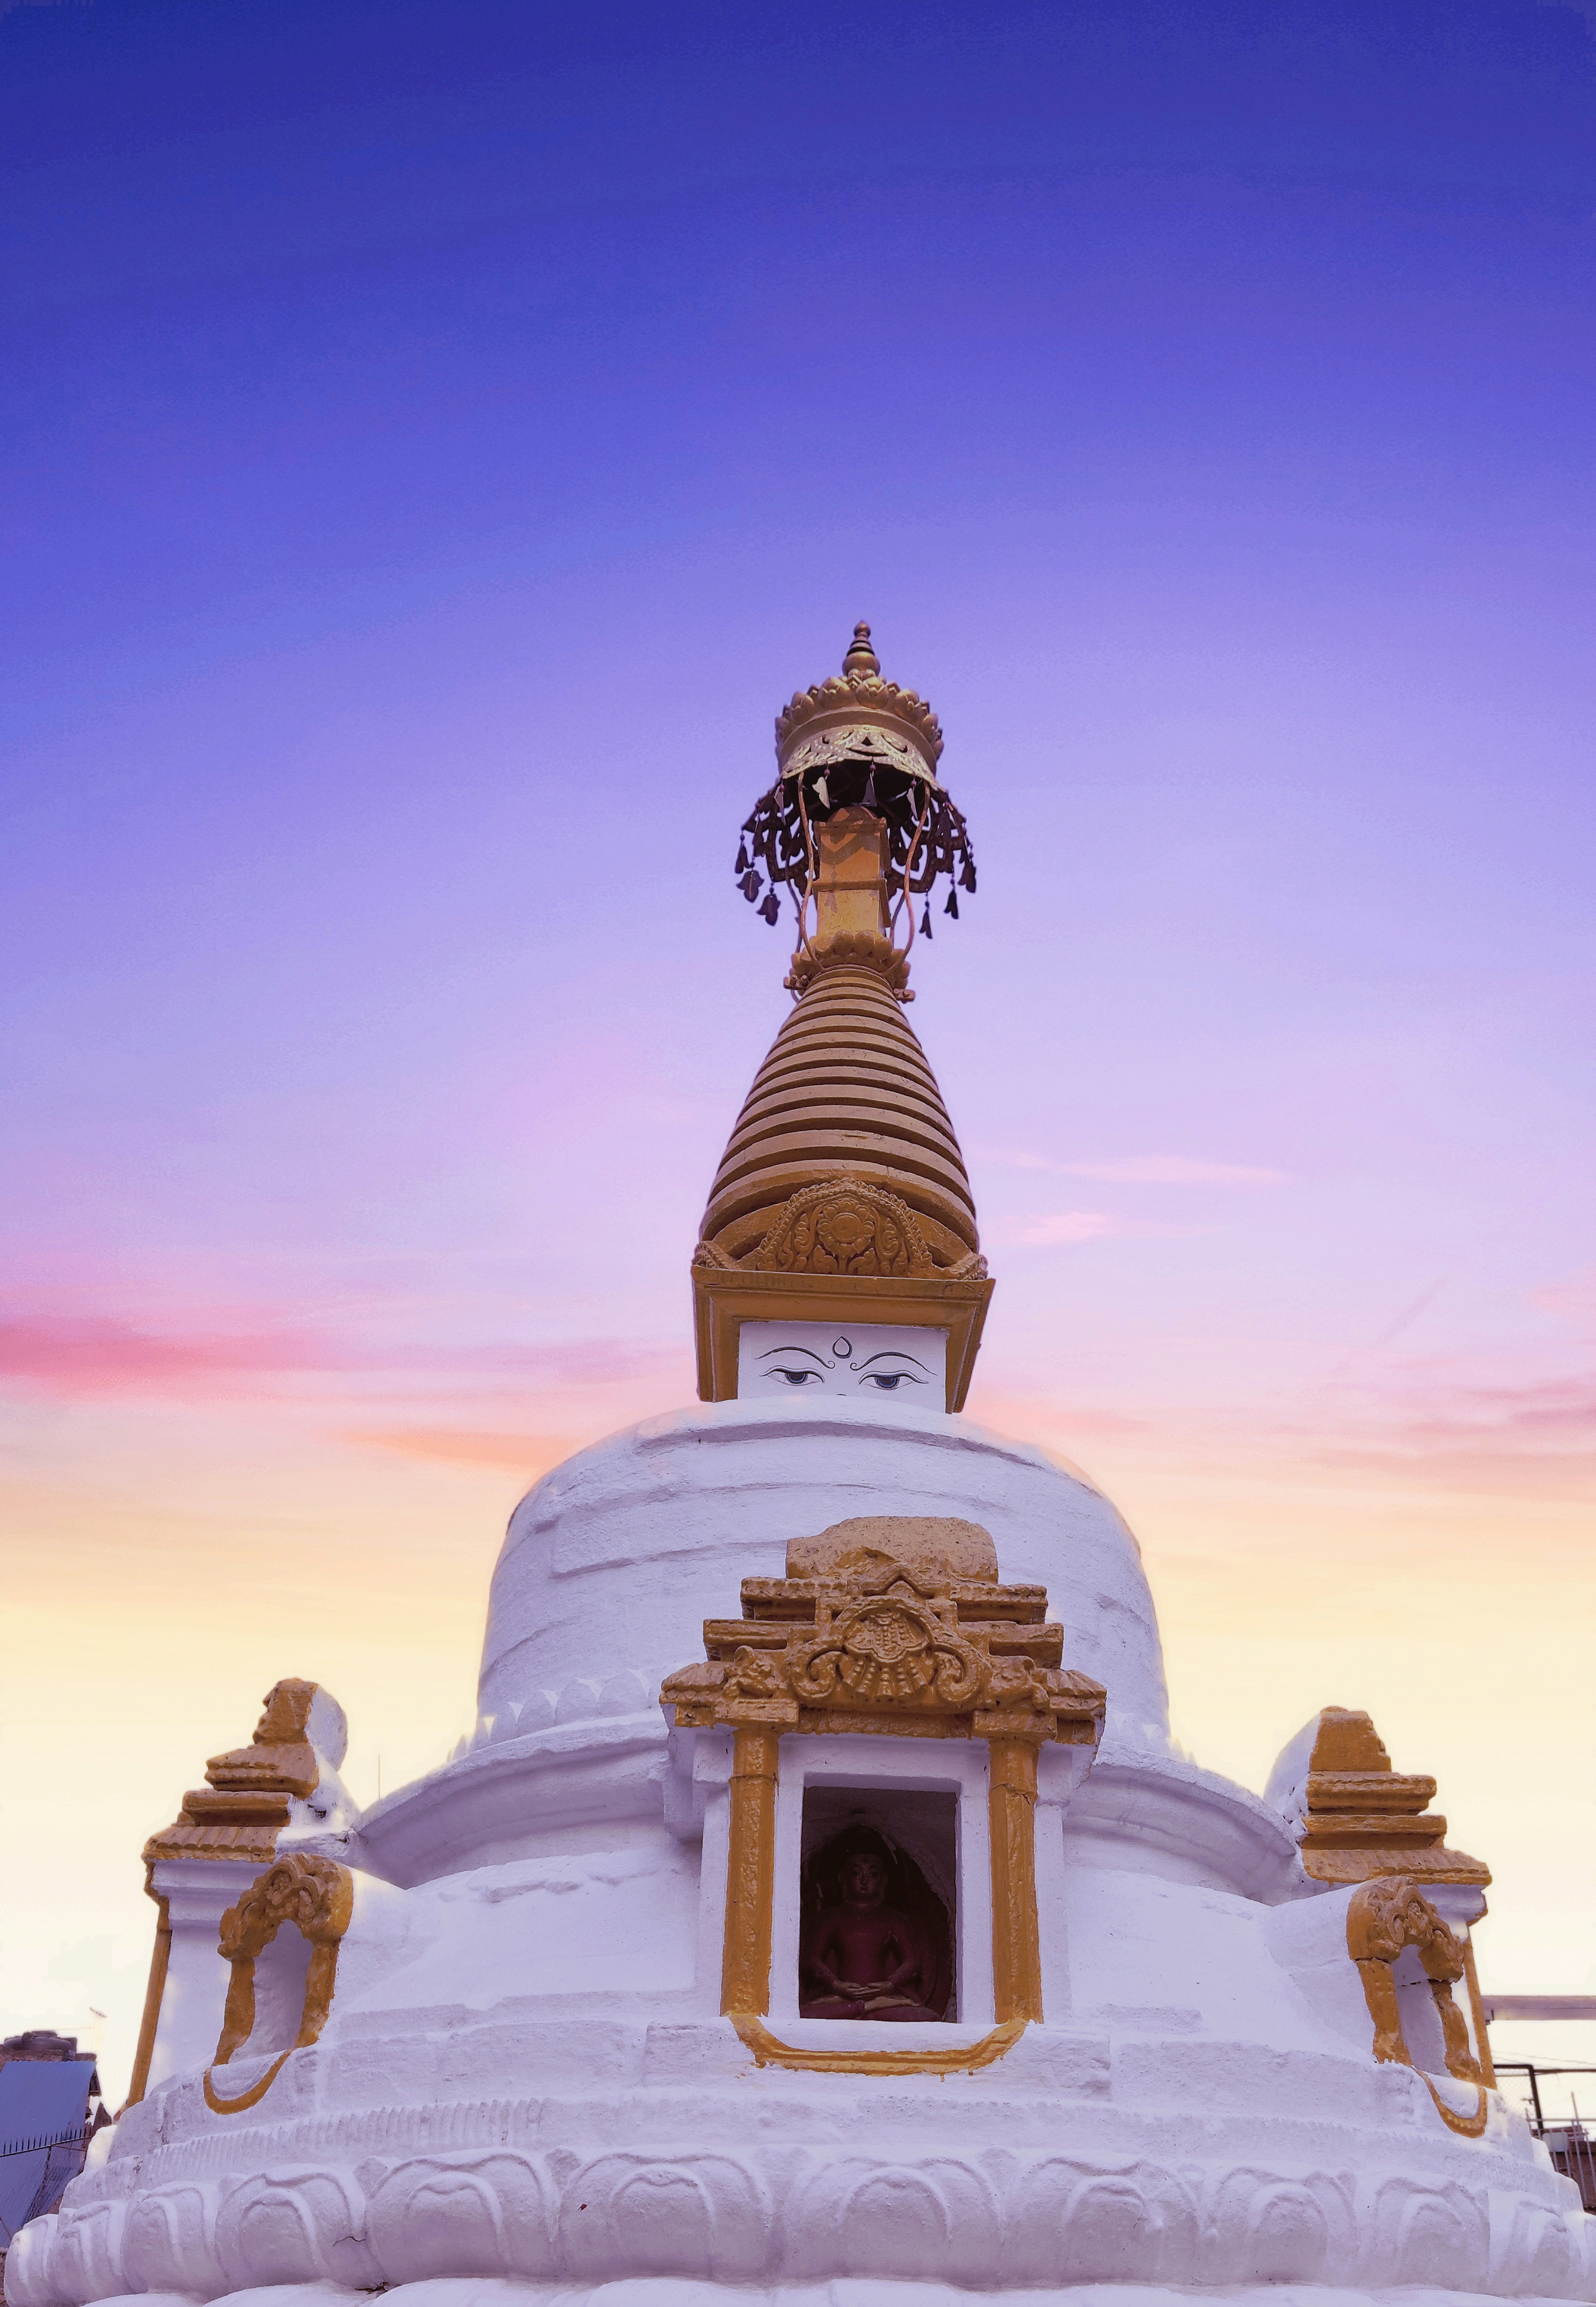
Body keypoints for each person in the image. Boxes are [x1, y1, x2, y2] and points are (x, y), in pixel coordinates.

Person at [799, 1848, 944, 2021]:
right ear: (842, 1878)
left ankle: (859, 2009)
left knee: (928, 2018)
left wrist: (889, 1985)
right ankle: (864, 2008)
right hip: (840, 1997)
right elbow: (813, 1960)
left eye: (873, 1875)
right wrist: (837, 1985)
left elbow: (912, 1962)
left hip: (883, 1997)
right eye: (856, 1874)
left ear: (884, 1880)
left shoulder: (894, 1919)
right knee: (804, 2015)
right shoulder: (832, 1917)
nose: (865, 1881)